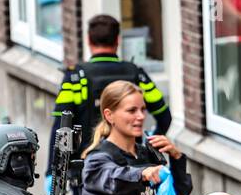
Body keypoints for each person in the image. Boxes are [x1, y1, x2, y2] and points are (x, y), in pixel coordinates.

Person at [49, 14, 171, 167]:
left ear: (88, 40)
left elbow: (60, 126)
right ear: (118, 40)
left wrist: (51, 169)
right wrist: (150, 145)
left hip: (86, 167)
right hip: (132, 166)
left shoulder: (75, 78)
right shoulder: (136, 74)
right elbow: (164, 116)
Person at [80, 80, 193, 195]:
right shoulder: (96, 159)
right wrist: (143, 173)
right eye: (132, 110)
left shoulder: (147, 154)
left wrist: (177, 158)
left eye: (143, 110)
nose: (140, 117)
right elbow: (113, 178)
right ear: (109, 115)